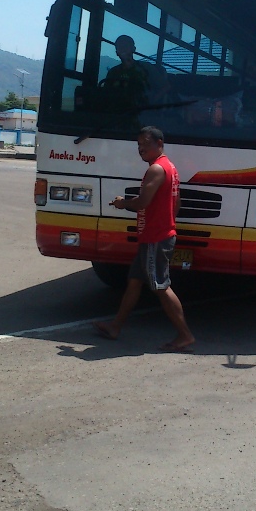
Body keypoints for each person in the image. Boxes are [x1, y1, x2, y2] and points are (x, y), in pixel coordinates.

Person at [93, 126, 195, 352]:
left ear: (159, 144)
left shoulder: (157, 169)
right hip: (156, 234)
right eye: (139, 144)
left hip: (155, 238)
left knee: (160, 286)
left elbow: (142, 202)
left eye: (146, 144)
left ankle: (185, 335)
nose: (141, 149)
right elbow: (176, 204)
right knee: (134, 282)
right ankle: (115, 327)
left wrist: (123, 203)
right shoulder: (170, 167)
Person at [103, 35, 170, 105]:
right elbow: (106, 93)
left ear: (133, 49)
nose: (123, 49)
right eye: (120, 47)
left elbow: (166, 86)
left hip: (141, 111)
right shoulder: (113, 72)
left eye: (126, 46)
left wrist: (150, 102)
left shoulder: (146, 67)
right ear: (116, 52)